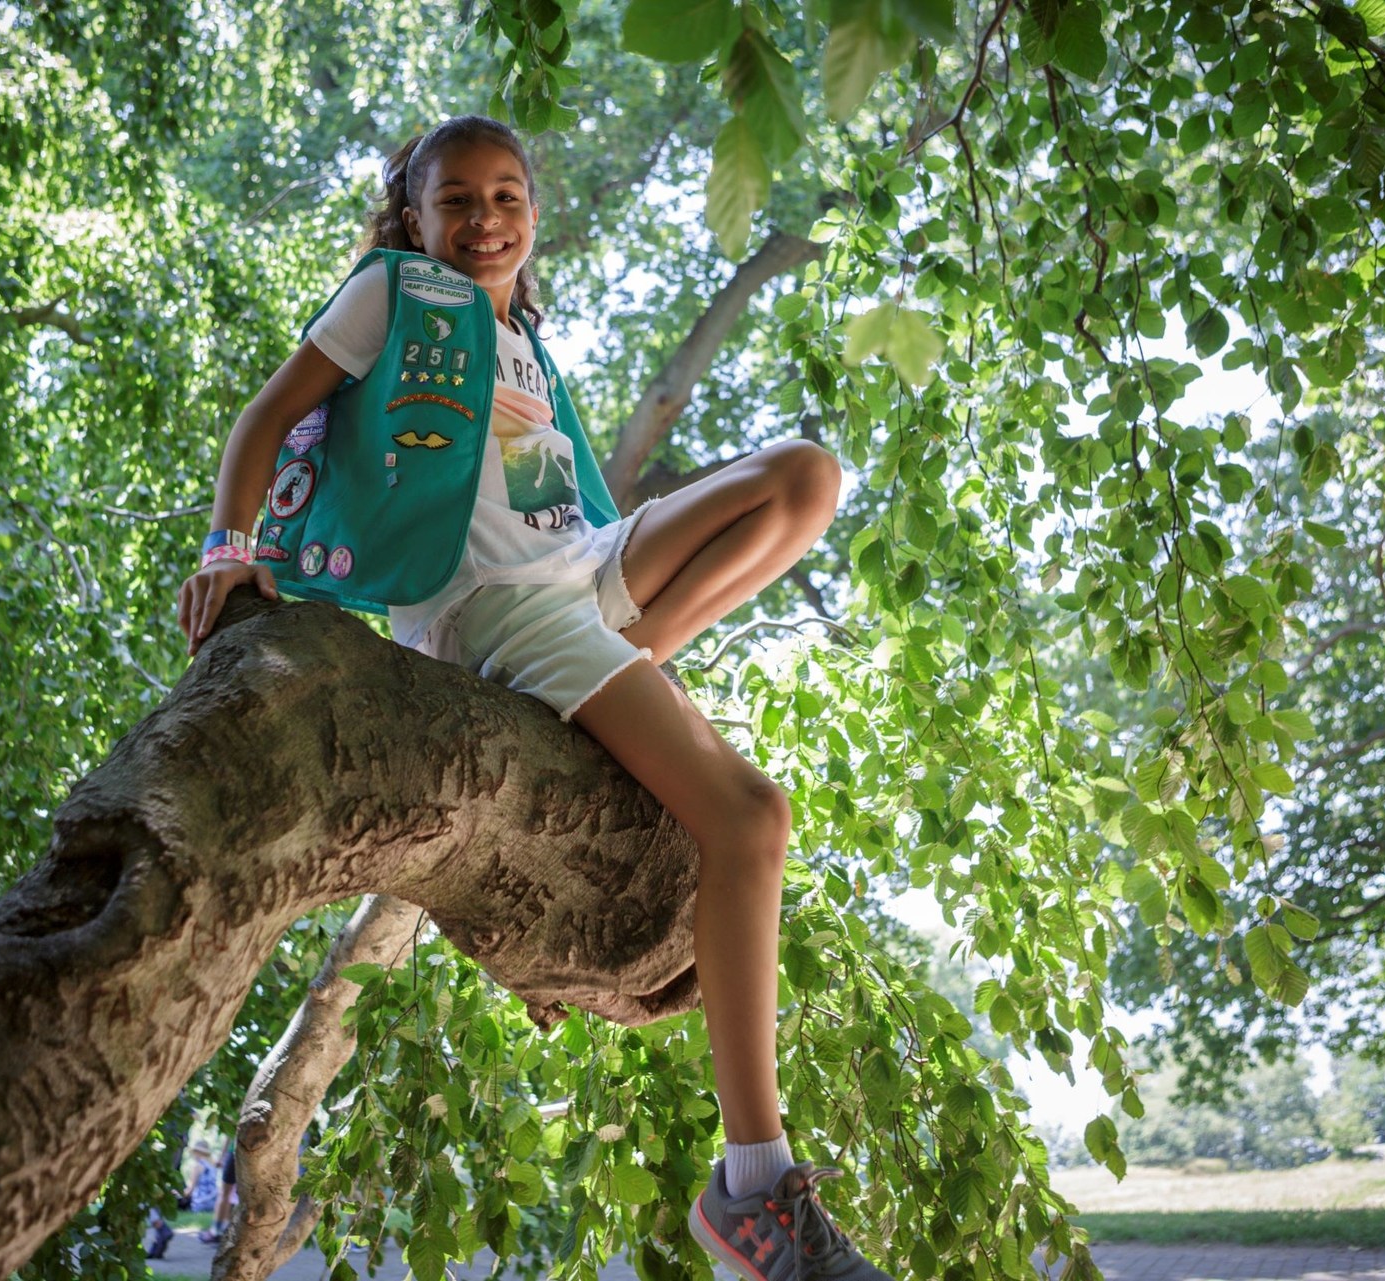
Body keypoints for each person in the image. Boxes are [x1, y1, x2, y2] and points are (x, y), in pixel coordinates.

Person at [173, 115, 883, 1280]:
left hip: (583, 567)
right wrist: (226, 549)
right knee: (751, 819)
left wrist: (625, 636)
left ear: (534, 216)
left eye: (506, 196)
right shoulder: (390, 298)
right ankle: (753, 1187)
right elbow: (267, 417)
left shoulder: (522, 343)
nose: (484, 219)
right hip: (494, 607)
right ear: (413, 219)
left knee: (805, 477)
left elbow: (561, 504)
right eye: (455, 200)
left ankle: (631, 661)